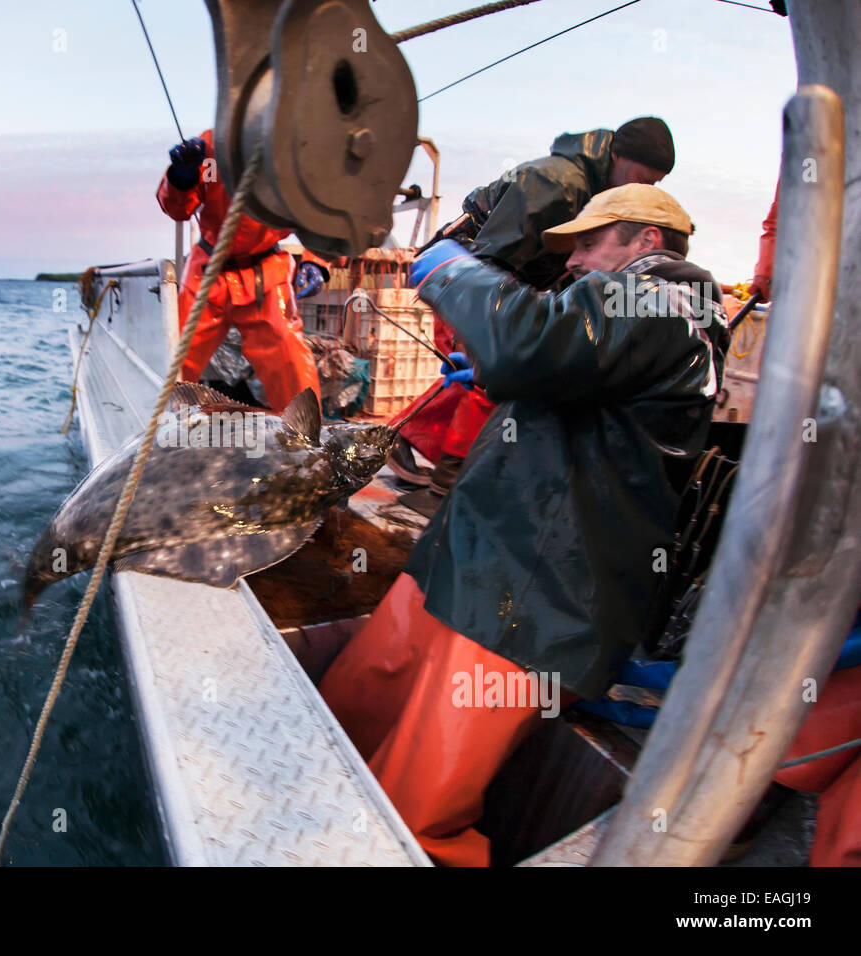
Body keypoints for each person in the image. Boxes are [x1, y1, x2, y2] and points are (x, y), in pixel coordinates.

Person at [319, 184, 730, 866]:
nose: (570, 262)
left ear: (647, 244)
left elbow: (529, 344)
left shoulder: (669, 294)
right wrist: (493, 373)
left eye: (590, 244)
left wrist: (451, 269)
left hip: (537, 605)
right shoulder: (632, 318)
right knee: (355, 700)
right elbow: (553, 374)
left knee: (418, 812)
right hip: (468, 558)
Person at [390, 117, 678, 491]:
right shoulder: (557, 182)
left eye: (654, 185)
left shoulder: (596, 192)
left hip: (502, 282)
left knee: (483, 377)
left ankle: (405, 438)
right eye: (643, 178)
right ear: (617, 155)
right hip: (461, 277)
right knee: (497, 373)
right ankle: (452, 476)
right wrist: (487, 326)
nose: (645, 189)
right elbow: (491, 255)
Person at [157, 131, 321, 413]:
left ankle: (306, 441)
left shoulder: (293, 150)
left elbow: (319, 211)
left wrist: (317, 260)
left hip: (266, 271)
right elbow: (178, 208)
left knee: (291, 361)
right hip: (207, 271)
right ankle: (165, 429)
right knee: (174, 357)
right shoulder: (208, 152)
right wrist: (180, 178)